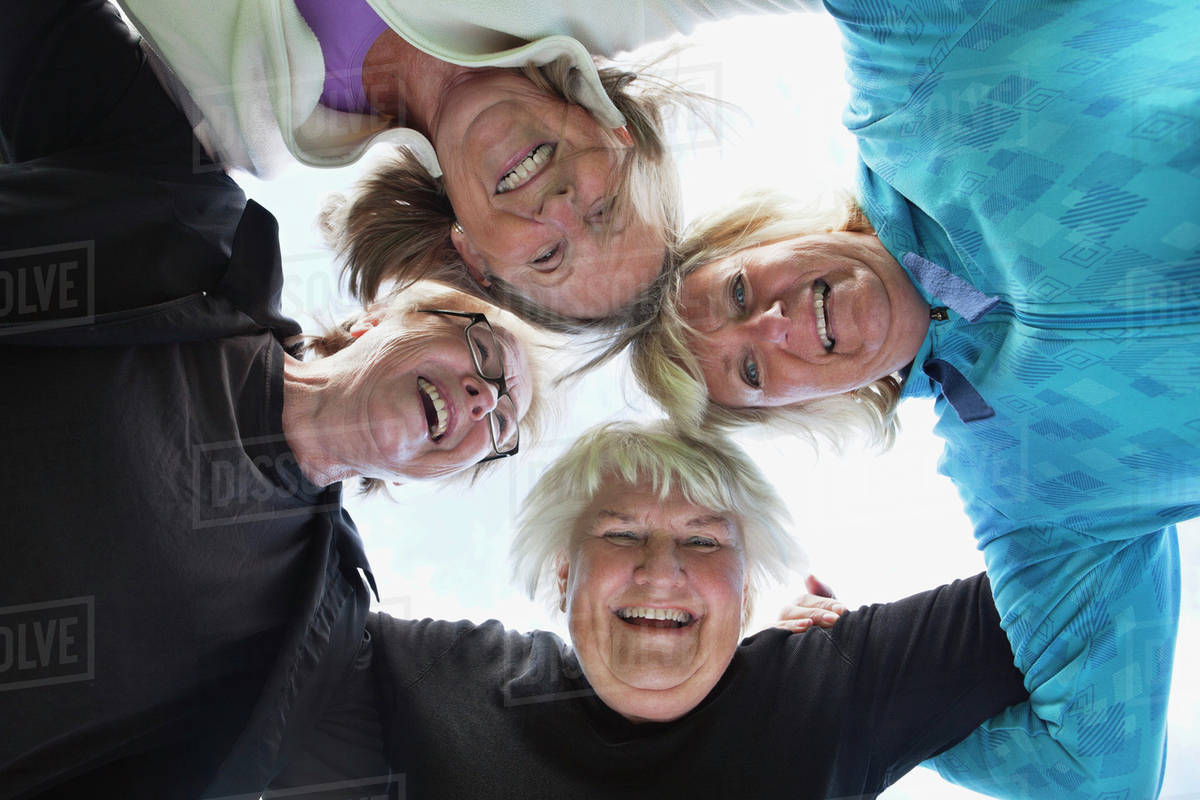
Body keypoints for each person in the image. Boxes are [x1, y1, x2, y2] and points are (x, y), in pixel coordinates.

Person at [631, 0, 1197, 796]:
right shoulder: (1024, 489)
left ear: (761, 235)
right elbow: (1095, 774)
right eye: (751, 372)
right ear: (796, 407)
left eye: (737, 291)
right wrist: (855, 685)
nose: (773, 324)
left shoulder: (919, 79)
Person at [0, 2, 543, 795]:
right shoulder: (179, 210)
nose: (484, 402)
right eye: (485, 354)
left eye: (502, 425)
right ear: (383, 318)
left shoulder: (309, 643)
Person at [271, 421, 1030, 799]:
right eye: (621, 534)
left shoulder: (829, 684)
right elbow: (249, 612)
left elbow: (1068, 580)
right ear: (563, 572)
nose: (662, 571)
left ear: (747, 592)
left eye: (703, 541)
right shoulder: (424, 678)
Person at [111, 0, 715, 327]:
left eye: (548, 256)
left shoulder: (248, 132)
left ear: (473, 255)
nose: (559, 210)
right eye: (605, 209)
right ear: (616, 132)